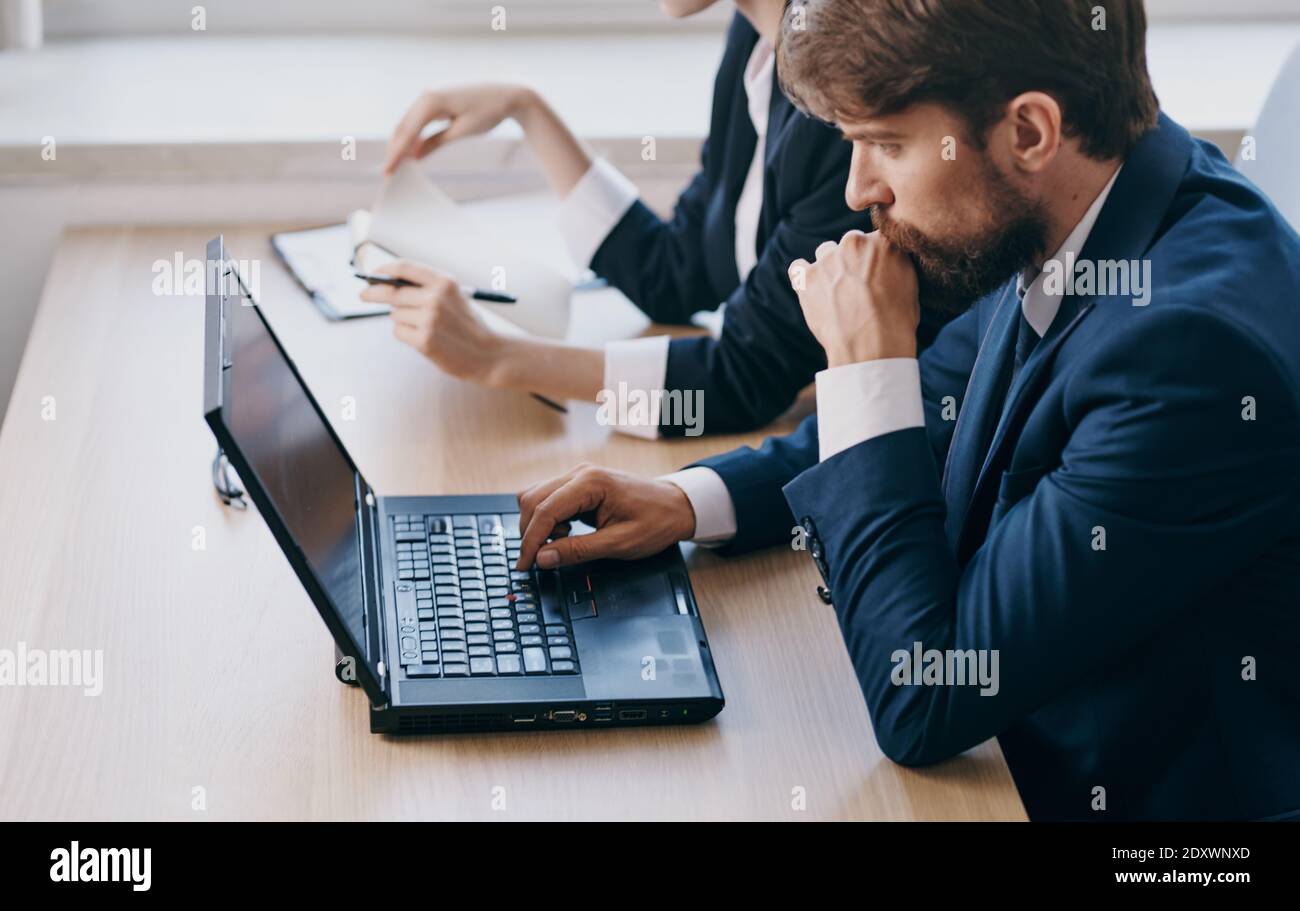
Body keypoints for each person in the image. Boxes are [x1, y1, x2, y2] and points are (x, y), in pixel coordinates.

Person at [506, 0, 1300, 821]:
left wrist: (862, 361)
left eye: (886, 144)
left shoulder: (1190, 356)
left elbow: (924, 693)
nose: (858, 189)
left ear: (1029, 131)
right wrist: (687, 500)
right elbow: (922, 410)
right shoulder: (1075, 203)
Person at [364, 0, 947, 438]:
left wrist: (496, 358)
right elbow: (678, 272)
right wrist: (527, 111)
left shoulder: (844, 116)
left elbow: (741, 385)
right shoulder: (758, 42)